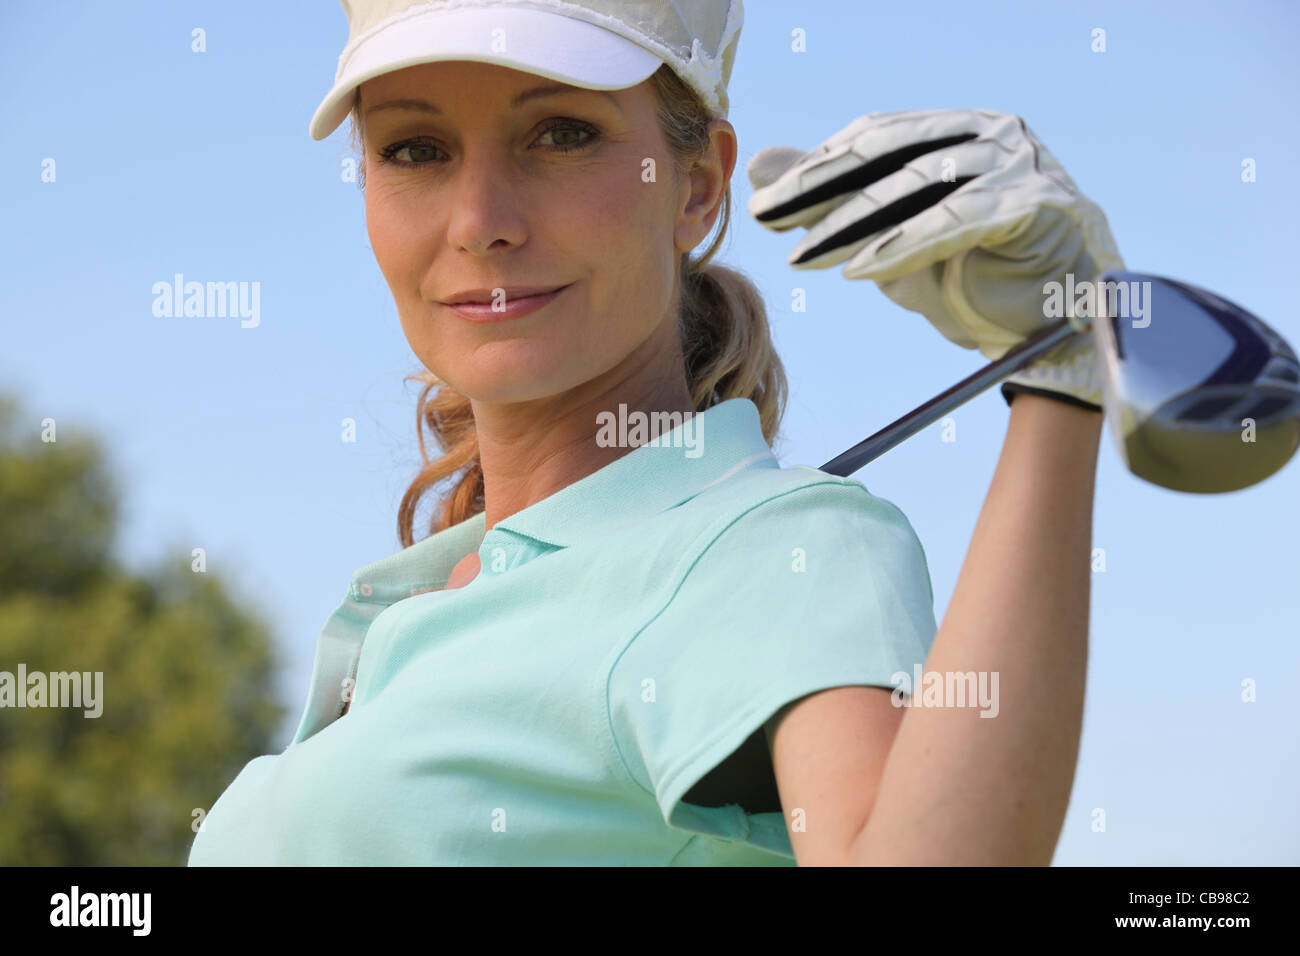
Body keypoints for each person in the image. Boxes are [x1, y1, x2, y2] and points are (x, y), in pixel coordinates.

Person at [188, 0, 1116, 866]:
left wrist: (1057, 385)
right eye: (415, 149)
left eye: (562, 133)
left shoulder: (772, 548)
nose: (479, 223)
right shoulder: (416, 600)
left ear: (697, 185)